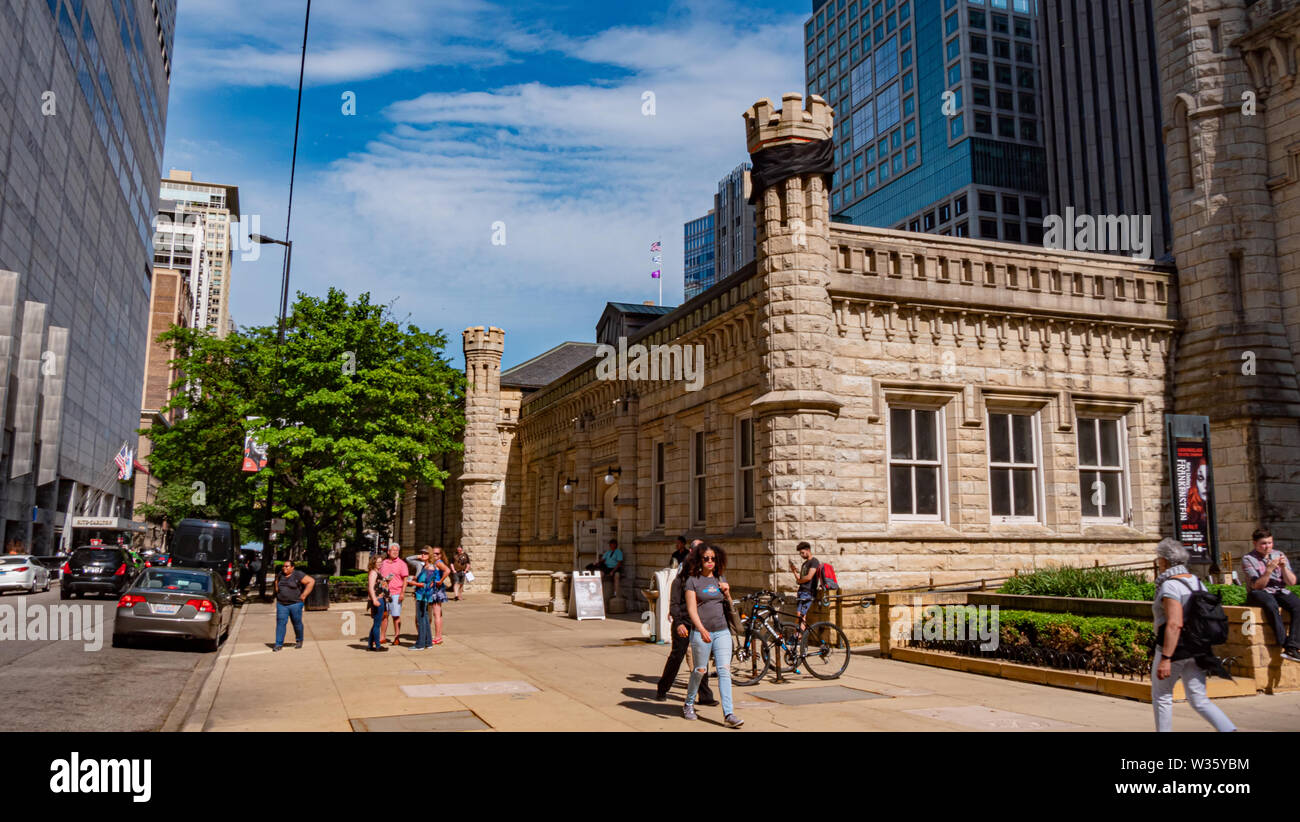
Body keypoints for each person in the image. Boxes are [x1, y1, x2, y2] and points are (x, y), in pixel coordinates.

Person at [1151, 537, 1236, 732]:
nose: (1158, 563)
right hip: (1197, 648)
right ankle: (1228, 729)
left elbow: (1174, 624)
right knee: (1198, 699)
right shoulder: (1196, 581)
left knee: (1162, 696)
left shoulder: (1169, 585)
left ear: (1164, 560)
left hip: (1175, 649)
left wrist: (1166, 658)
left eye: (1159, 559)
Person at [683, 545, 742, 728]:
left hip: (722, 631)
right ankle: (689, 703)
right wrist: (701, 629)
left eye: (713, 558)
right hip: (702, 631)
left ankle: (729, 714)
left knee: (724, 670)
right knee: (700, 670)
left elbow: (730, 606)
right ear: (699, 560)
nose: (710, 562)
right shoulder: (693, 581)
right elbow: (691, 610)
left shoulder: (719, 579)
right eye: (706, 558)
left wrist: (727, 593)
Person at [656, 541, 715, 704]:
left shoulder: (701, 582)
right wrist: (679, 622)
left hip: (698, 624)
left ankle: (705, 696)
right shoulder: (679, 582)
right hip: (682, 624)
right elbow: (674, 604)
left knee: (701, 660)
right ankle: (662, 688)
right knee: (676, 656)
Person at [1241, 527, 1300, 662]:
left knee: (1297, 605)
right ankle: (1283, 642)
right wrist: (1268, 571)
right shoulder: (1248, 559)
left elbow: (1291, 582)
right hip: (1259, 592)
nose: (1267, 547)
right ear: (1255, 543)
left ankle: (1293, 646)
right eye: (1263, 543)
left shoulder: (1279, 554)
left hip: (1279, 590)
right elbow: (1257, 586)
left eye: (1269, 543)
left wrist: (1284, 567)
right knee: (1270, 604)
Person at [412, 546, 453, 648]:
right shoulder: (432, 563)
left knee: (436, 614)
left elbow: (447, 571)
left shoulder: (438, 562)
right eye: (433, 553)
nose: (435, 555)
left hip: (436, 590)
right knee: (434, 614)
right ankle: (431, 636)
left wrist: (440, 581)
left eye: (437, 553)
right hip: (434, 589)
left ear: (440, 555)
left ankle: (437, 637)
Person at [274, 560, 315, 651]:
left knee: (297, 623)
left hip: (295, 604)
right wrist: (278, 592)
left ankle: (299, 640)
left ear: (292, 567)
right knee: (280, 623)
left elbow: (311, 581)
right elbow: (276, 582)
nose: (284, 568)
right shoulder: (280, 574)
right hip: (282, 604)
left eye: (287, 566)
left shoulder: (298, 574)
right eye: (284, 566)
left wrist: (304, 595)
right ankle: (278, 644)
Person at [378, 542, 410, 646]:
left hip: (396, 593)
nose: (395, 552)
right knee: (384, 616)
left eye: (397, 551)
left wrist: (402, 593)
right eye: (393, 550)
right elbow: (379, 577)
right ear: (388, 552)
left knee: (396, 616)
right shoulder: (383, 563)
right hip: (384, 593)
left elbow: (405, 580)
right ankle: (382, 637)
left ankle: (397, 637)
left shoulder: (402, 564)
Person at [787, 541, 820, 633]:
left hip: (808, 592)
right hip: (801, 591)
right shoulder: (804, 564)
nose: (801, 555)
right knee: (800, 615)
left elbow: (809, 577)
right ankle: (798, 637)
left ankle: (798, 637)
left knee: (801, 615)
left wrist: (800, 580)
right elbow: (800, 579)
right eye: (800, 553)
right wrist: (794, 571)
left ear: (808, 550)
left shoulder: (814, 562)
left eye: (802, 552)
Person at [366, 555, 389, 652]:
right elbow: (371, 587)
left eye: (381, 562)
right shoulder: (373, 573)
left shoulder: (377, 572)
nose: (380, 563)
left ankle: (370, 645)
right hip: (377, 599)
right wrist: (374, 599)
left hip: (380, 598)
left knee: (376, 622)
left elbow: (377, 585)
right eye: (378, 562)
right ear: (373, 562)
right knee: (377, 623)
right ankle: (378, 646)